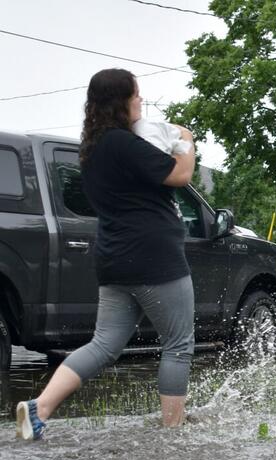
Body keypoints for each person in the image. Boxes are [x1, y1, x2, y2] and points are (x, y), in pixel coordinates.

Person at [15, 68, 196, 440]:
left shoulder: (92, 151)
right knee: (178, 345)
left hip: (114, 260)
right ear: (121, 101)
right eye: (136, 96)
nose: (140, 101)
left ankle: (40, 409)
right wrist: (187, 139)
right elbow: (180, 175)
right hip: (155, 257)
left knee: (104, 344)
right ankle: (173, 434)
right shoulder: (124, 144)